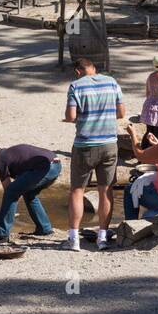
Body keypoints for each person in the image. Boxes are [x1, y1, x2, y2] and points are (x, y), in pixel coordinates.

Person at [63, 56, 125, 252]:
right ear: (94, 68)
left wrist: (80, 117)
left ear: (78, 71)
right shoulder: (112, 82)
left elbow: (71, 116)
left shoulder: (76, 86)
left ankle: (73, 238)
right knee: (105, 190)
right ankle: (103, 237)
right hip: (109, 144)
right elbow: (122, 113)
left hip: (85, 144)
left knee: (77, 190)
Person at [0, 142, 61, 245]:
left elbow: (8, 190)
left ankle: (1, 235)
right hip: (56, 165)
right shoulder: (10, 154)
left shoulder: (0, 159)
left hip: (43, 168)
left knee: (11, 192)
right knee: (29, 194)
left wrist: (2, 214)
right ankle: (44, 228)